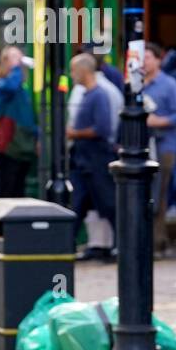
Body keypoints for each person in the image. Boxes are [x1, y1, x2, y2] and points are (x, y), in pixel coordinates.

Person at [66, 54, 118, 260]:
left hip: (96, 158)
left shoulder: (99, 95)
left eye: (73, 70)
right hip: (82, 159)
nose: (71, 75)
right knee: (78, 203)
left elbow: (103, 129)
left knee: (108, 203)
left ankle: (121, 245)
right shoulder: (88, 94)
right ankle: (66, 245)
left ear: (83, 71)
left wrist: (74, 133)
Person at [142, 43, 176, 256]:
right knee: (141, 194)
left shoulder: (169, 84)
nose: (144, 61)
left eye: (148, 57)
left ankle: (158, 244)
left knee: (158, 195)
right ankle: (145, 241)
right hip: (141, 148)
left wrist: (157, 121)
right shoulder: (135, 84)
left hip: (164, 147)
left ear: (159, 59)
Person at [0, 45, 37, 198]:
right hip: (9, 148)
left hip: (23, 146)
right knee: (7, 191)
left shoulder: (21, 88)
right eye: (14, 57)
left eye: (19, 56)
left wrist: (37, 136)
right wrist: (17, 67)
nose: (19, 59)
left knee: (18, 191)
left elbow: (28, 117)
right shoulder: (0, 84)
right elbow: (11, 86)